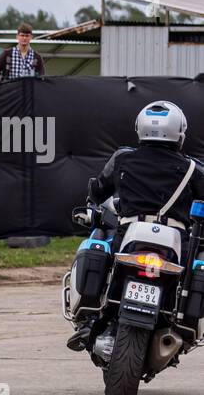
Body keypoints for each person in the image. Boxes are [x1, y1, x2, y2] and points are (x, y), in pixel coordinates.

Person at [68, 100, 204, 347]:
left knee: (99, 244)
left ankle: (88, 319)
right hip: (176, 243)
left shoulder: (123, 158)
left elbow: (99, 190)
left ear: (139, 128)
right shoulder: (193, 169)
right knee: (191, 271)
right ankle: (182, 324)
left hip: (130, 233)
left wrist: (93, 203)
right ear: (180, 133)